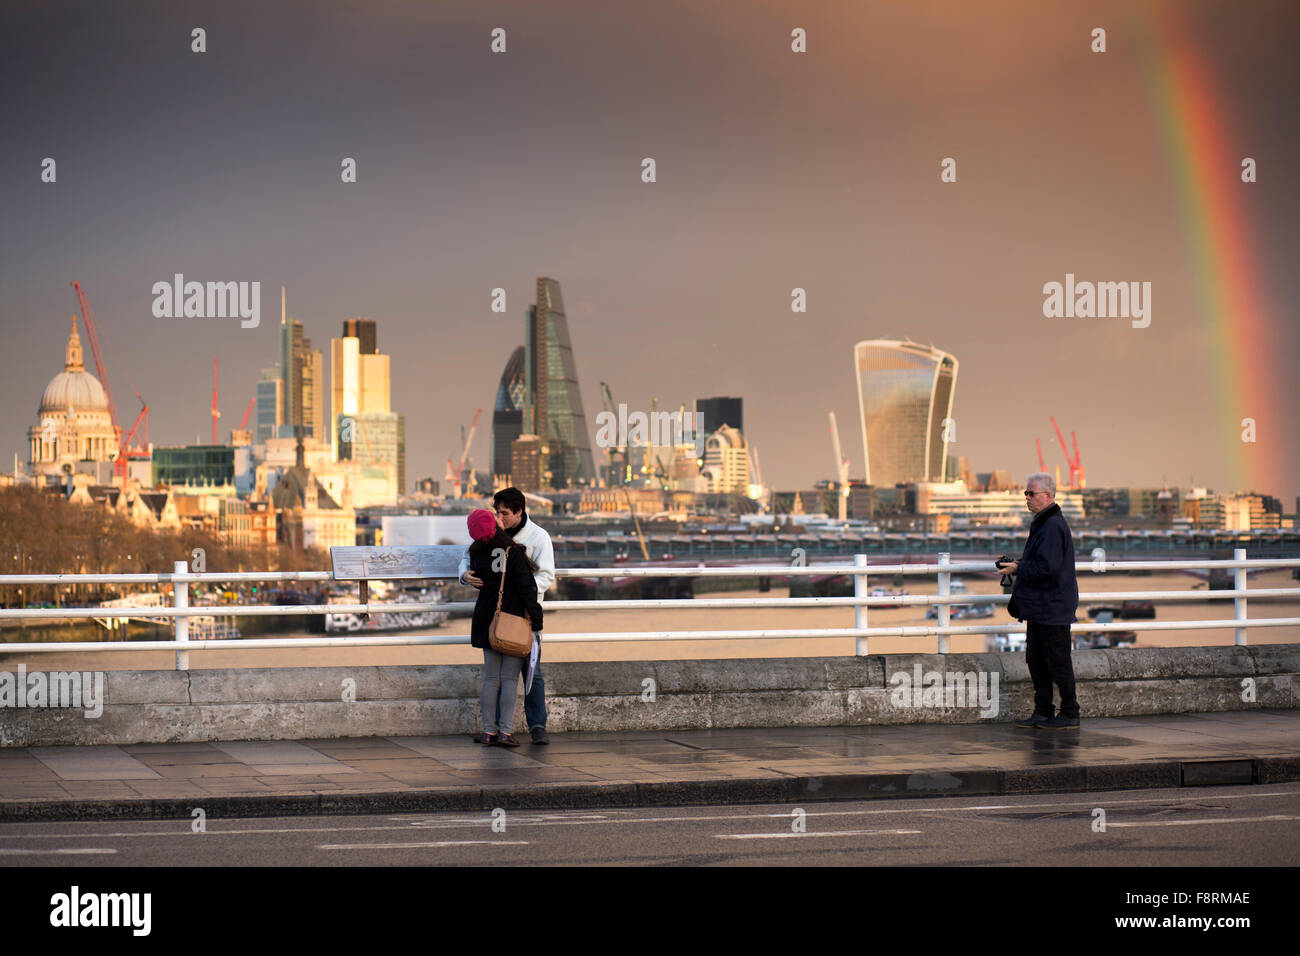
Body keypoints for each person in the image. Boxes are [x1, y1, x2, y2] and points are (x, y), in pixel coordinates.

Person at [459, 487, 556, 743]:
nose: (499, 518)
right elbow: (466, 559)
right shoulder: (503, 546)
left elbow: (546, 576)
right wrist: (464, 575)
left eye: (504, 513)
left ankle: (533, 726)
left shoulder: (539, 537)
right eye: (496, 513)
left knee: (531, 674)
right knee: (511, 678)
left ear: (519, 512)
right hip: (517, 616)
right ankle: (504, 731)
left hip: (501, 618)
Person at [998, 472, 1081, 730]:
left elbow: (1050, 568)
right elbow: (1042, 563)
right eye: (1025, 493)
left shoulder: (1053, 525)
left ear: (1048, 495)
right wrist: (1018, 564)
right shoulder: (1043, 522)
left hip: (1053, 606)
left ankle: (1070, 712)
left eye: (1031, 493)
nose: (1027, 498)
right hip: (1040, 607)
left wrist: (1017, 569)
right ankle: (1043, 710)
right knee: (1036, 660)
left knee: (1057, 662)